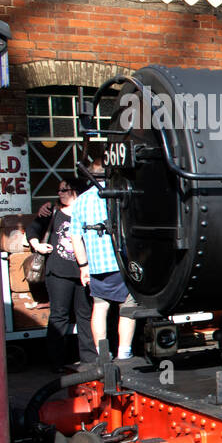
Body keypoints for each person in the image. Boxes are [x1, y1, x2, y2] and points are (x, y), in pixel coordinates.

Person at [68, 143, 137, 361]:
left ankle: (102, 353)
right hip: (120, 262)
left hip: (96, 265)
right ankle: (124, 352)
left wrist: (83, 266)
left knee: (99, 308)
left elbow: (75, 235)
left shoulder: (81, 200)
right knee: (127, 309)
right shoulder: (118, 194)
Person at [26, 178, 97, 371]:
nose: (60, 193)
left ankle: (89, 359)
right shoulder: (52, 210)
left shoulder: (87, 211)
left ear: (76, 191)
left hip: (84, 271)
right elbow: (33, 229)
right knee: (59, 316)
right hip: (58, 271)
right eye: (59, 190)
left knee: (85, 315)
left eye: (64, 190)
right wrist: (37, 245)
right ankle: (57, 362)